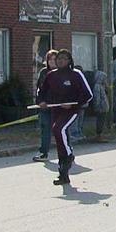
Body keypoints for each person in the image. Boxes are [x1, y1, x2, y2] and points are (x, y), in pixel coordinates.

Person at [37, 49, 93, 186]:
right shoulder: (51, 75)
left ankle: (68, 156)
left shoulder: (76, 74)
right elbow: (41, 92)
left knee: (58, 129)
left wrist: (74, 103)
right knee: (60, 136)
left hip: (72, 110)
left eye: (64, 58)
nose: (60, 60)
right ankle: (63, 173)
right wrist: (41, 102)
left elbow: (88, 95)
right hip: (56, 110)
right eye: (59, 58)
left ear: (69, 60)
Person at [33, 50, 58, 162]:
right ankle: (44, 153)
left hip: (59, 107)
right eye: (50, 59)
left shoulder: (63, 72)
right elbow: (39, 89)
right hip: (45, 107)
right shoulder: (43, 72)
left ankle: (68, 153)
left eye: (54, 59)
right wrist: (40, 102)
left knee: (61, 130)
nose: (52, 62)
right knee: (45, 129)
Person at [91, 66, 109, 141]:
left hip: (103, 107)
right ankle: (99, 135)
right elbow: (97, 98)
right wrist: (97, 106)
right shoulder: (97, 87)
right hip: (101, 108)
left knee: (102, 121)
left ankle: (101, 134)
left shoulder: (102, 86)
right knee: (100, 121)